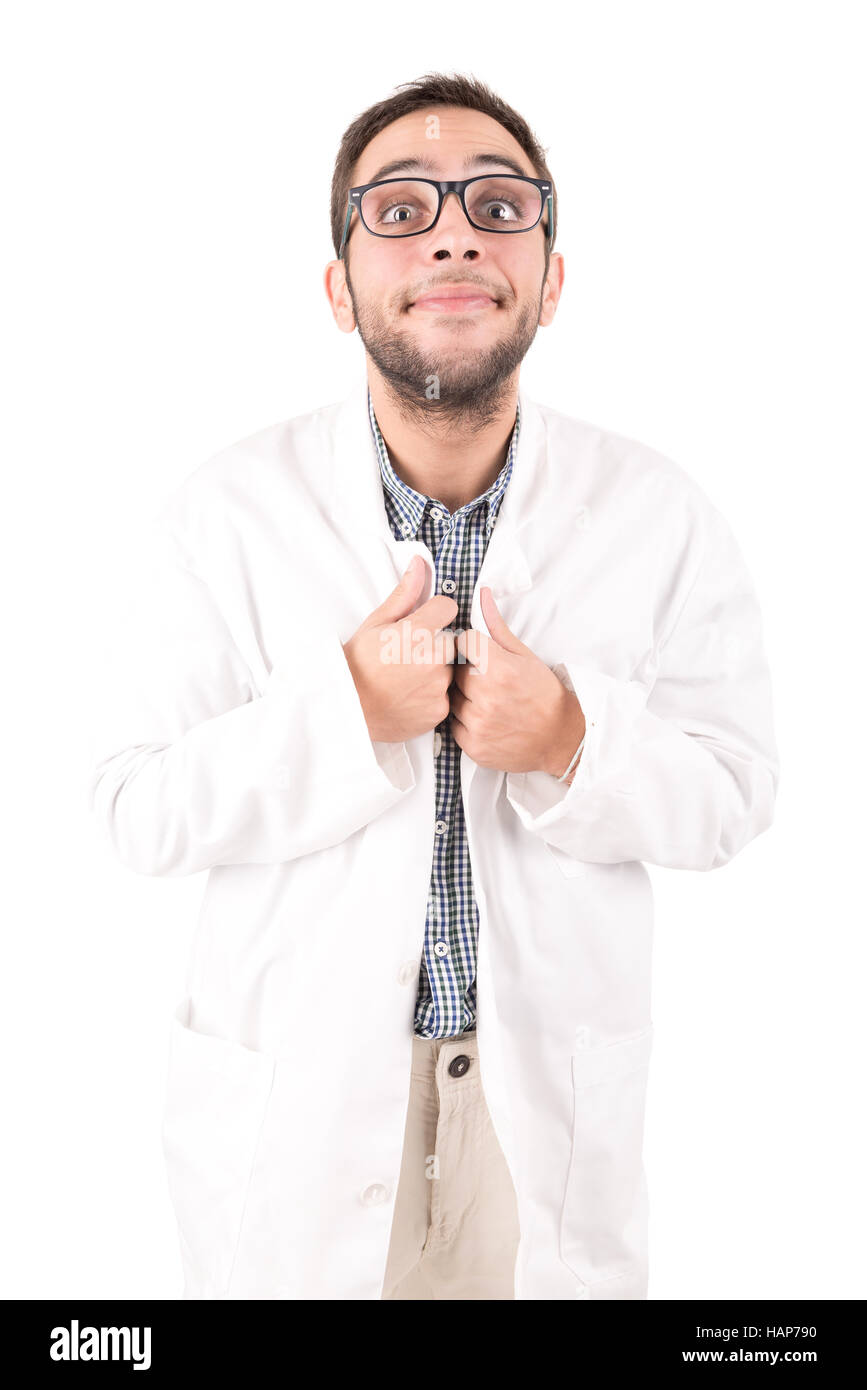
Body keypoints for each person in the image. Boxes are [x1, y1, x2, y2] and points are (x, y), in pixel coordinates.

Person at [89, 72, 779, 1301]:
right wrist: (346, 714)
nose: (454, 234)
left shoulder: (661, 514)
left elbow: (734, 793)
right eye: (401, 210)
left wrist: (571, 735)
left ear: (551, 281)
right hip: (296, 1113)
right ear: (339, 289)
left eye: (498, 207)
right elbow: (133, 808)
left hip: (538, 1113)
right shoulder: (222, 514)